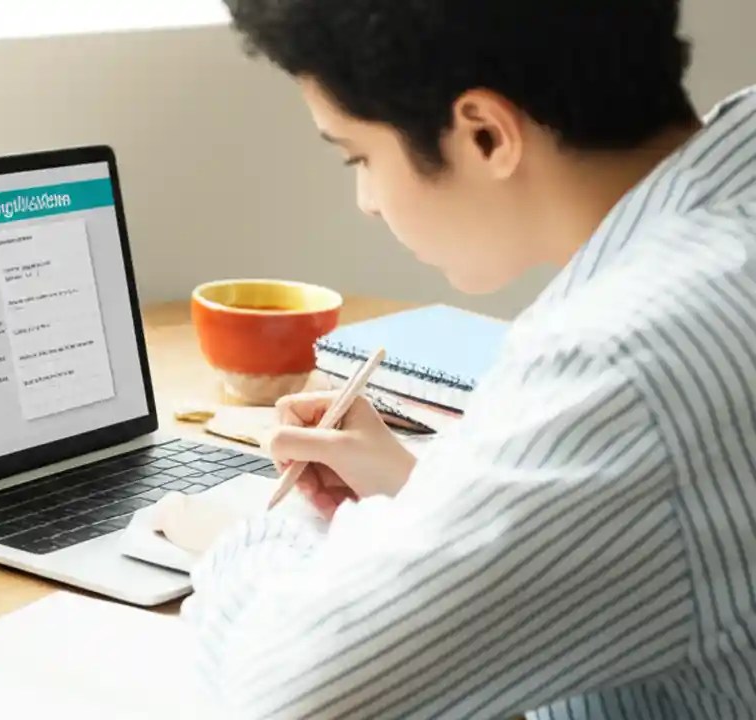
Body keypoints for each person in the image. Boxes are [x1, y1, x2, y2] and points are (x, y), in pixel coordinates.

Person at [149, 1, 756, 717]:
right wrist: (430, 491)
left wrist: (264, 538)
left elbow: (288, 701)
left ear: (486, 135)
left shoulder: (625, 361)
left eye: (359, 157)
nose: (367, 201)